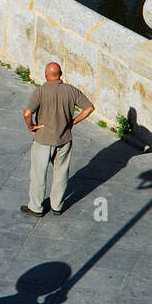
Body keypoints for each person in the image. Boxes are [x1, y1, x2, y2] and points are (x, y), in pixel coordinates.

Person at [21, 61, 94, 217]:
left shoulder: (40, 92)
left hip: (43, 139)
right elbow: (89, 108)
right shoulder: (71, 90)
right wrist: (72, 122)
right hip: (64, 139)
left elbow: (27, 113)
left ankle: (36, 207)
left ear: (46, 75)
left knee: (38, 174)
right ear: (60, 74)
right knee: (61, 173)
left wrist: (31, 126)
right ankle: (57, 206)